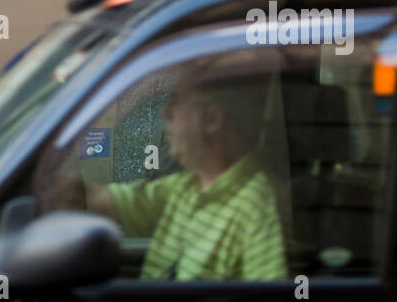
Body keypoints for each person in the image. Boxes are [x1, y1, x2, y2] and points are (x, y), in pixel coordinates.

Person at [48, 71, 287, 281]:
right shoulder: (186, 187)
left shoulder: (257, 202)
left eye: (175, 102)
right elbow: (88, 199)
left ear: (212, 119)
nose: (164, 112)